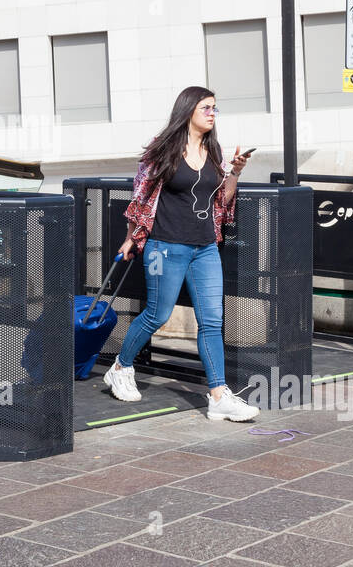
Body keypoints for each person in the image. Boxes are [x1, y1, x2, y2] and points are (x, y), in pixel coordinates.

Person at [106, 86, 260, 422]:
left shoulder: (213, 151)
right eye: (206, 107)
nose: (212, 114)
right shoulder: (162, 151)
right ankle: (121, 367)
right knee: (157, 316)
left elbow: (223, 201)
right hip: (164, 247)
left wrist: (234, 171)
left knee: (211, 322)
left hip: (205, 248)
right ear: (188, 109)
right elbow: (141, 197)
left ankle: (218, 395)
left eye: (215, 109)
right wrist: (131, 238)